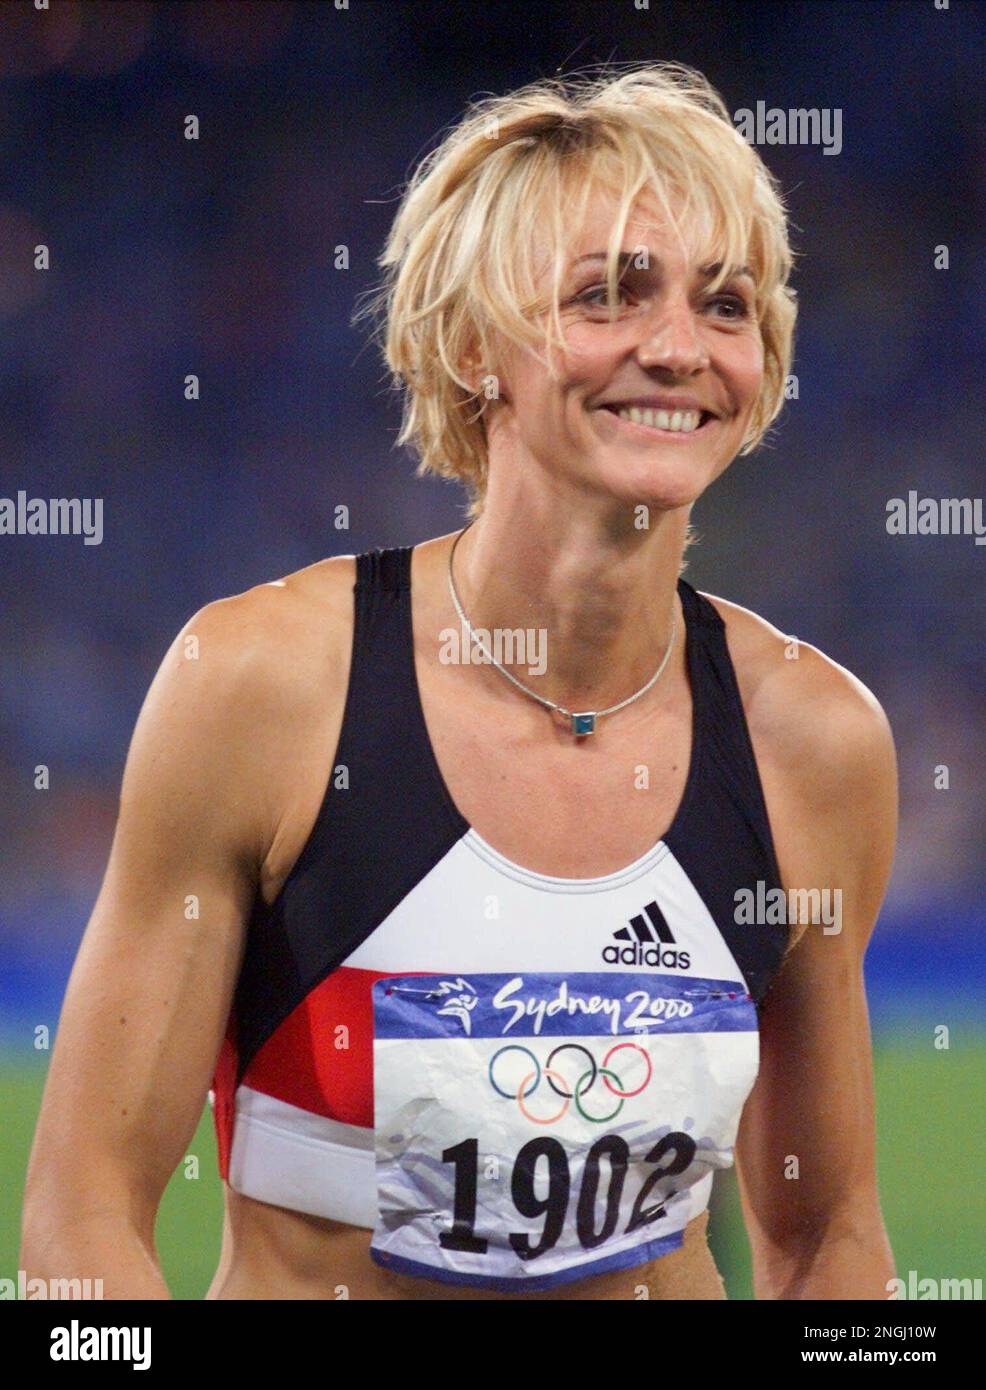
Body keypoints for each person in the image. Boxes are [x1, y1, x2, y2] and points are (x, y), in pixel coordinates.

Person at [21, 62, 897, 1300]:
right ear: (476, 346)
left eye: (726, 305)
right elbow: (76, 1235)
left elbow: (829, 1240)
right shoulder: (267, 688)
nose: (675, 347)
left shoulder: (815, 739)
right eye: (607, 295)